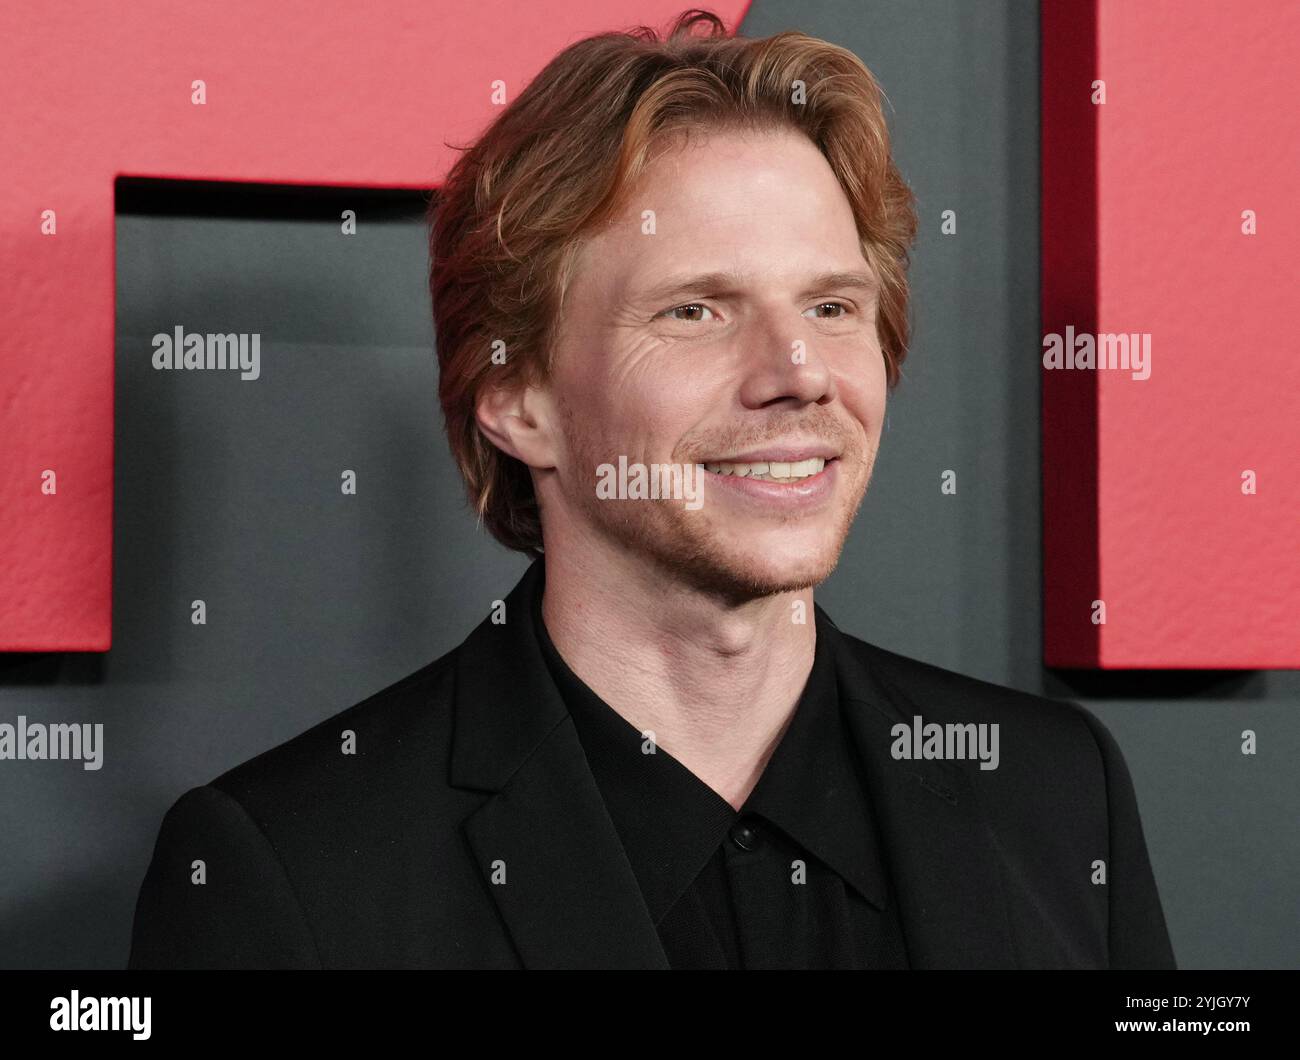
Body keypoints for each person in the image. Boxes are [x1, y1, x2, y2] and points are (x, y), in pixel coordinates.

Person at [128, 10, 1175, 969]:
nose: (799, 371)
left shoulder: (1052, 792)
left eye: (832, 306)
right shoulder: (291, 875)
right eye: (695, 312)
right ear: (517, 395)